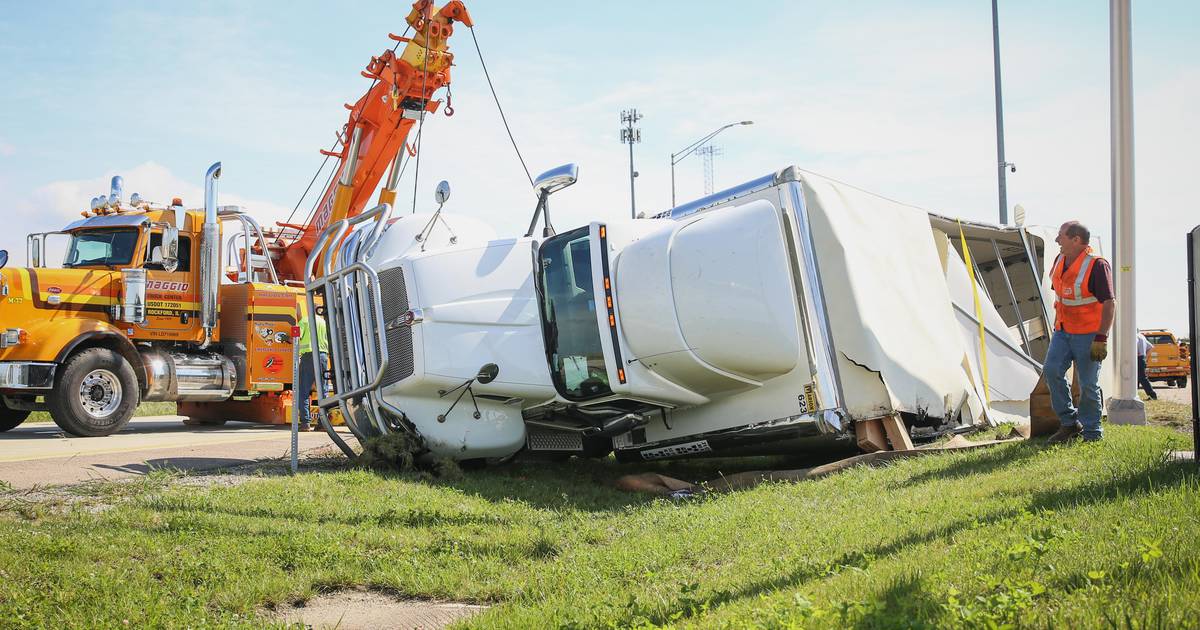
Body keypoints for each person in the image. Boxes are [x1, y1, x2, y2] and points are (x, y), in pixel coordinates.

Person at [1044, 221, 1115, 444]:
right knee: (1052, 371)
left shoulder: (1097, 265)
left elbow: (1109, 303)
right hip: (1063, 330)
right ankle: (1069, 423)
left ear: (1076, 240)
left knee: (1087, 384)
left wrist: (1101, 337)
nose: (1057, 240)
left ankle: (1092, 433)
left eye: (1061, 236)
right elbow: (1063, 294)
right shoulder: (1059, 261)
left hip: (1089, 335)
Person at [296, 310, 329, 430]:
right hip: (323, 357)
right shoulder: (324, 322)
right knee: (323, 390)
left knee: (304, 390)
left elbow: (295, 337)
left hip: (308, 357)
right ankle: (323, 423)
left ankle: (305, 423)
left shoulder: (304, 321)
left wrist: (285, 337)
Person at [1136, 331, 1158, 400]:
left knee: (1142, 378)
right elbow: (1151, 347)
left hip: (1137, 357)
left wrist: (1138, 353)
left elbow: (1135, 345)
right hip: (1142, 357)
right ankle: (1136, 394)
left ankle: (1152, 395)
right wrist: (1145, 356)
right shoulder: (1142, 336)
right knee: (1140, 378)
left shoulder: (1135, 336)